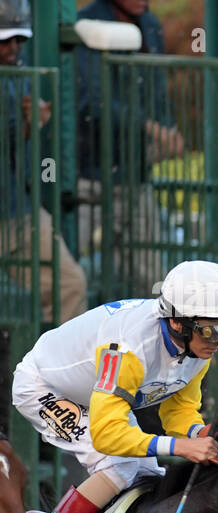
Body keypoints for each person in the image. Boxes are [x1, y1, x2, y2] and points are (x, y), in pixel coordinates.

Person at [12, 260, 218, 513]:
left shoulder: (197, 349)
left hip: (98, 399)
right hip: (43, 387)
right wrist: (179, 447)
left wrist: (195, 432)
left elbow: (177, 408)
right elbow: (108, 435)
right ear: (178, 323)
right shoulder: (128, 348)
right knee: (118, 468)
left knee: (149, 475)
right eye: (213, 330)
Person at [74, 0, 185, 291]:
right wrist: (149, 126)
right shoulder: (86, 23)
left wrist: (169, 128)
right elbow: (92, 101)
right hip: (86, 173)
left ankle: (152, 336)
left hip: (135, 174)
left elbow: (156, 87)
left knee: (152, 280)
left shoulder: (150, 24)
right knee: (69, 275)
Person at [0, 0, 88, 324]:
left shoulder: (21, 77)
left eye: (18, 40)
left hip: (18, 215)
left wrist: (30, 127)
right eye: (4, 41)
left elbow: (19, 154)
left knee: (71, 284)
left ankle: (62, 372)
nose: (12, 49)